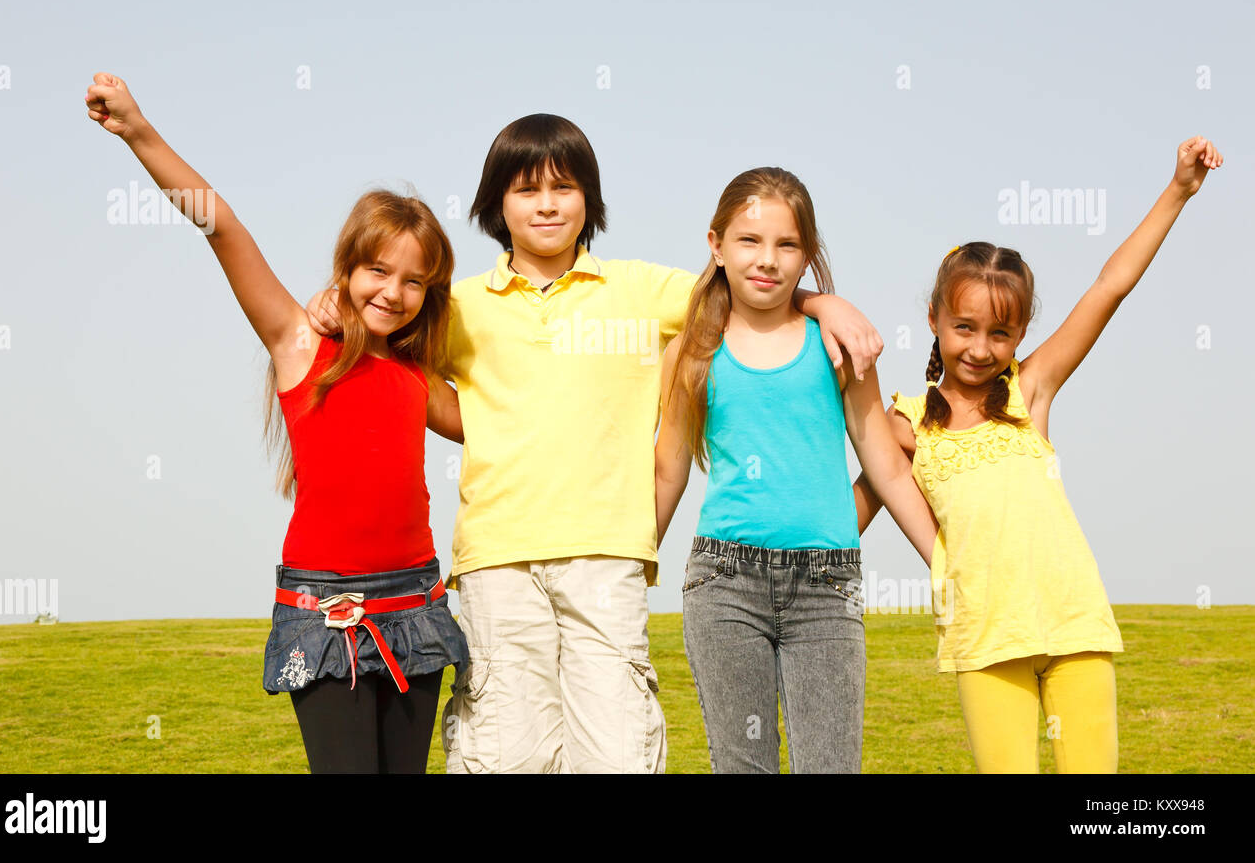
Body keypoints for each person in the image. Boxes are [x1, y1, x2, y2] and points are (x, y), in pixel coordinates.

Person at [305, 115, 886, 773]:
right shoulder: (459, 307)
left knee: (617, 750)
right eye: (526, 190)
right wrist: (333, 304)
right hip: (499, 561)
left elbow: (749, 284)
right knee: (507, 752)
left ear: (591, 201)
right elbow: (395, 353)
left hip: (607, 559)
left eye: (565, 186)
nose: (548, 204)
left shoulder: (642, 289)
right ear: (496, 203)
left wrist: (821, 304)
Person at [84, 73, 469, 774]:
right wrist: (139, 131)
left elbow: (509, 421)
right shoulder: (298, 342)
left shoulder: (421, 379)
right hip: (325, 607)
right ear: (348, 268)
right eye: (378, 270)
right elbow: (220, 225)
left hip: (415, 600)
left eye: (415, 281)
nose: (393, 292)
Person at [853, 136, 1224, 773]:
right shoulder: (909, 423)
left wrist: (1179, 191)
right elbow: (853, 507)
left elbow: (1110, 286)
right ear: (936, 318)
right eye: (965, 327)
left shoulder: (1029, 391)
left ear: (1021, 333)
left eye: (1001, 332)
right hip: (987, 639)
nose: (980, 347)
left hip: (1075, 625)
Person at [653, 167, 937, 773]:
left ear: (807, 254)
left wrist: (947, 562)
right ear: (716, 245)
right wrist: (632, 568)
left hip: (826, 588)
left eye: (787, 244)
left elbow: (883, 461)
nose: (768, 260)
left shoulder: (838, 346)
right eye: (749, 241)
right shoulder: (691, 349)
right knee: (743, 765)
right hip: (723, 583)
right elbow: (666, 471)